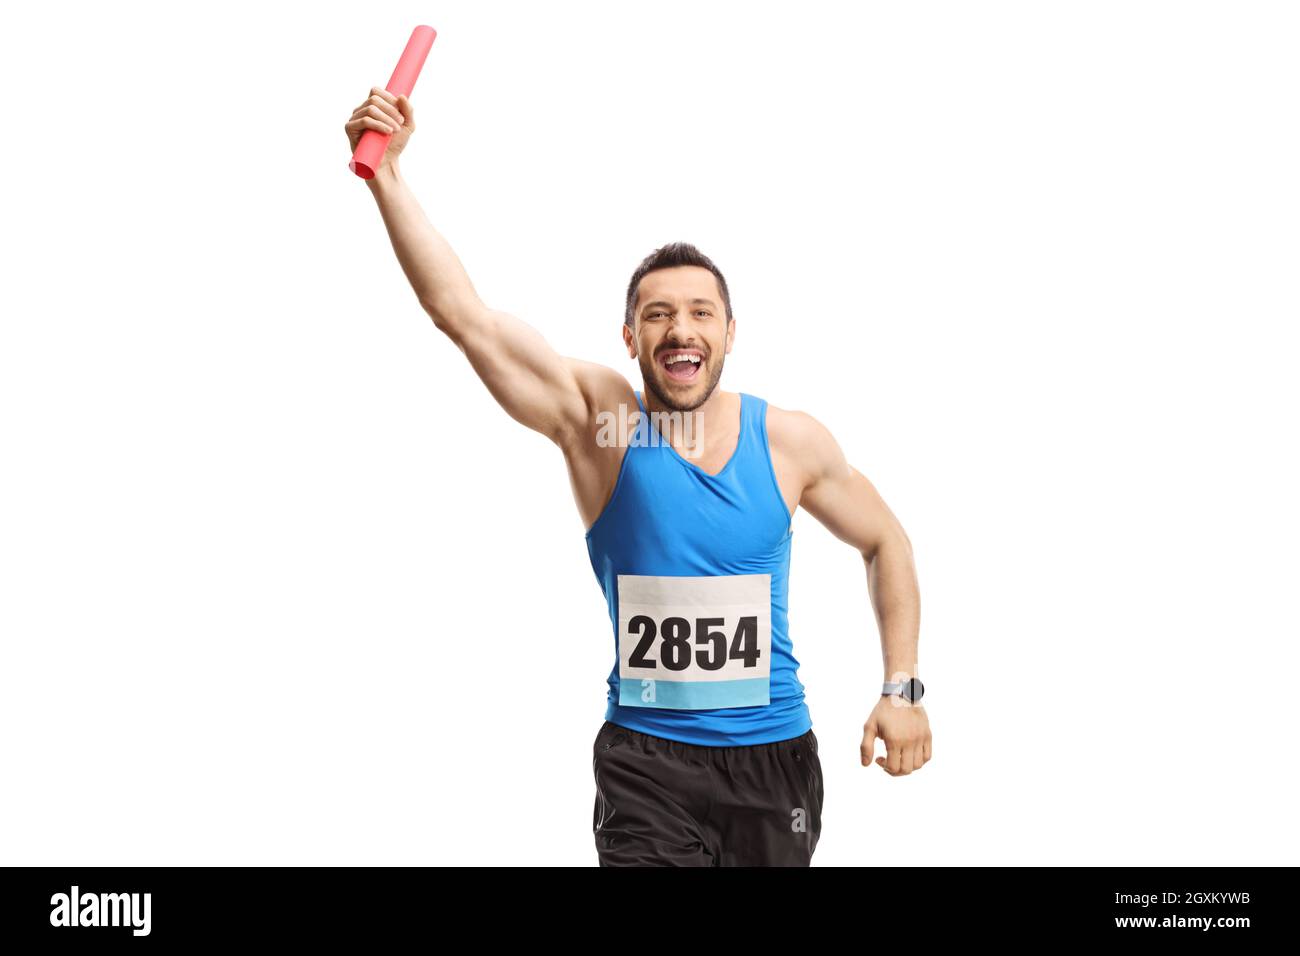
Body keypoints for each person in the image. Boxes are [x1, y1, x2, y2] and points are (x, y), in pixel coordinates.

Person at [345, 87, 932, 866]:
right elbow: (464, 314)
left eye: (699, 312)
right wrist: (386, 178)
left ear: (729, 333)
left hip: (776, 763)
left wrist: (903, 688)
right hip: (646, 766)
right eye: (657, 314)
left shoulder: (790, 443)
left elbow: (886, 540)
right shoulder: (600, 427)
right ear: (629, 335)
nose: (679, 329)